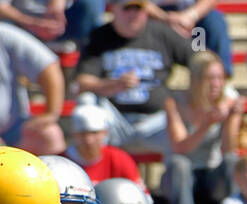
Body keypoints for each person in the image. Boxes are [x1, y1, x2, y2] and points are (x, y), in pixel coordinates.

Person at [75, 0, 192, 156]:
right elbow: (81, 83)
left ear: (147, 10)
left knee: (189, 118)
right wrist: (112, 85)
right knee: (86, 101)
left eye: (138, 8)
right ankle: (96, 176)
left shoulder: (163, 33)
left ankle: (183, 176)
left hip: (158, 122)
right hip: (115, 122)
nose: (133, 14)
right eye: (127, 8)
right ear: (114, 9)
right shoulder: (98, 36)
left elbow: (201, 60)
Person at [161, 50, 242, 204]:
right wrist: (206, 124)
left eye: (220, 78)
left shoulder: (228, 100)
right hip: (184, 175)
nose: (216, 84)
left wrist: (232, 118)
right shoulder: (175, 102)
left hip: (212, 174)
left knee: (232, 161)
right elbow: (180, 148)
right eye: (210, 78)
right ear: (196, 80)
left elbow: (229, 150)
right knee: (179, 164)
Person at [0, 22, 62, 147]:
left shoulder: (3, 34)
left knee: (49, 134)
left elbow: (48, 68)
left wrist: (51, 113)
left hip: (15, 129)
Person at [65, 101, 145, 186]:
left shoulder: (119, 159)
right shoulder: (62, 163)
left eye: (94, 133)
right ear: (74, 134)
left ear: (105, 133)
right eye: (83, 133)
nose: (89, 140)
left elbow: (139, 194)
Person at [144, 0, 232, 75]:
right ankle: (148, 82)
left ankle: (219, 80)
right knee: (136, 20)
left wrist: (190, 16)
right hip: (153, 16)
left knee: (214, 22)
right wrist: (165, 18)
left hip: (192, 15)